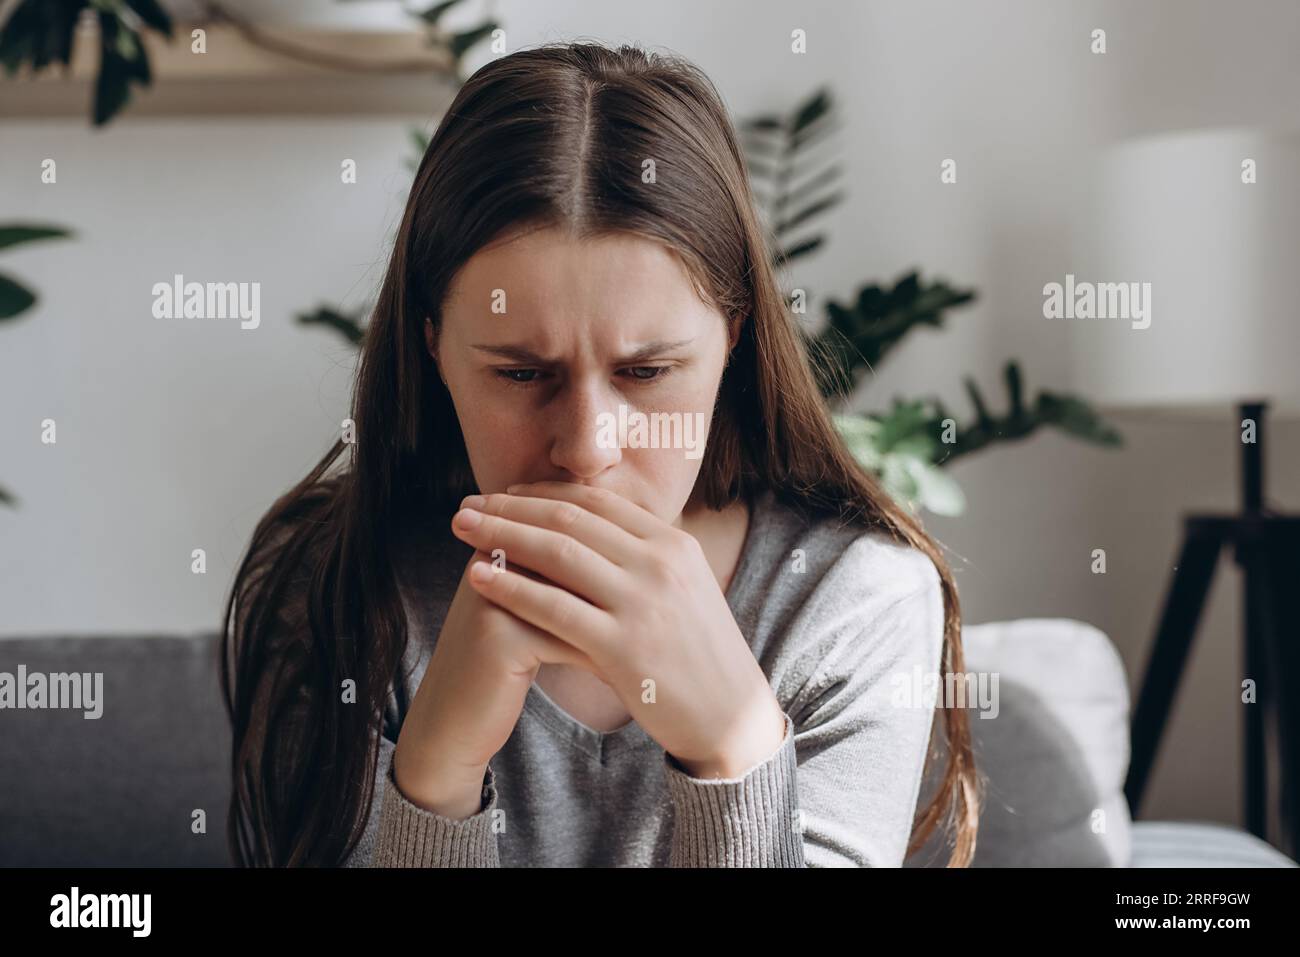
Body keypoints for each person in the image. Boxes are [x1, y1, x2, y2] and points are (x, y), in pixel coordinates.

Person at [221, 41, 980, 868]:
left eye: (647, 371)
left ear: (731, 342)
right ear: (434, 349)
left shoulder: (850, 605)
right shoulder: (338, 590)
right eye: (520, 372)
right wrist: (437, 771)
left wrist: (734, 747)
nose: (586, 448)